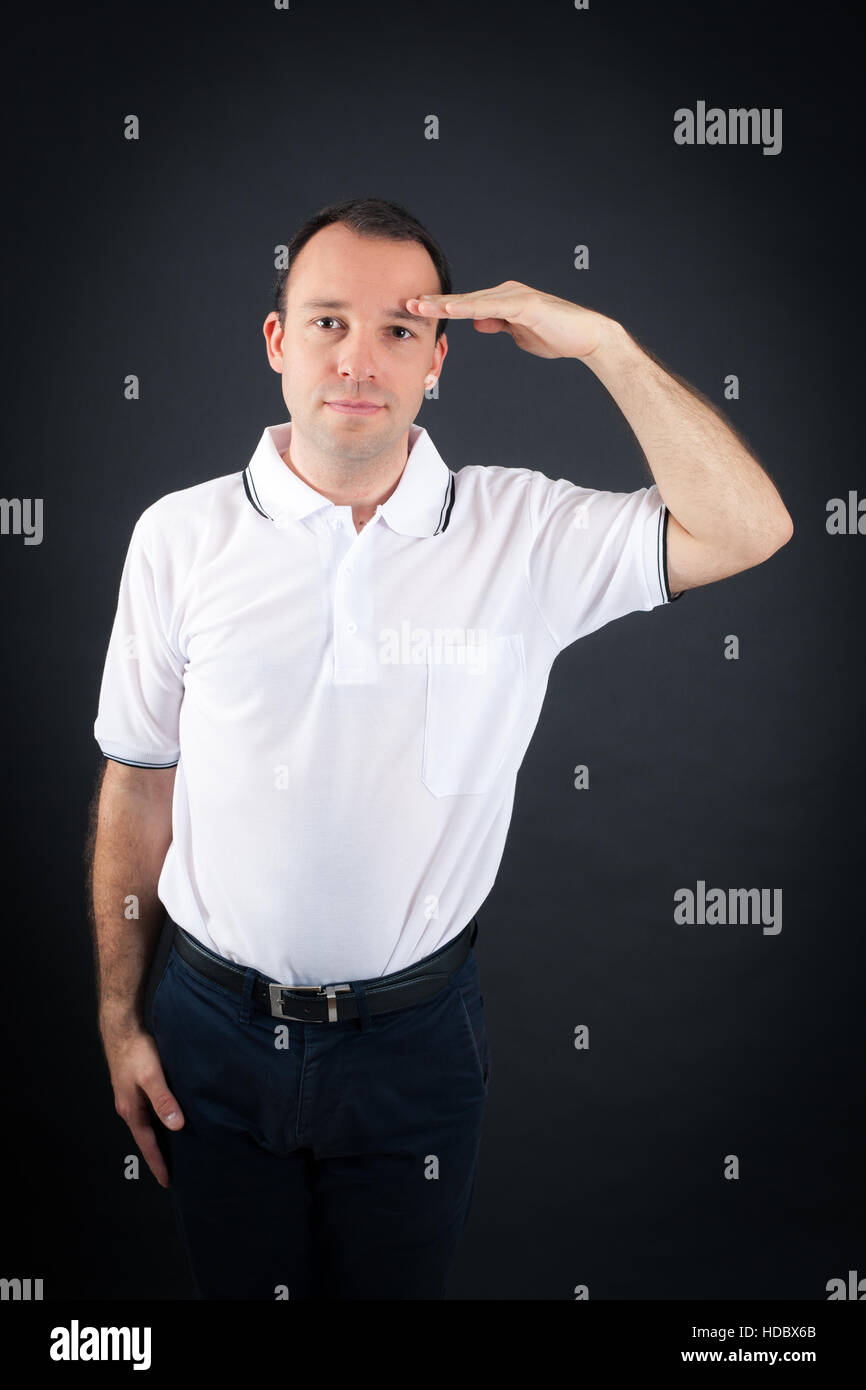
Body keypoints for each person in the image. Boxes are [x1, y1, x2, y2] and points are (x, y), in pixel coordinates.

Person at [87, 195, 793, 1301]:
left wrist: (603, 343)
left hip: (412, 1051)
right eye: (326, 321)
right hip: (209, 1036)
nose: (357, 357)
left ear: (438, 360)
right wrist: (118, 1014)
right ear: (276, 343)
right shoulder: (179, 536)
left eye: (398, 328)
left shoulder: (524, 532)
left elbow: (748, 526)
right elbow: (136, 782)